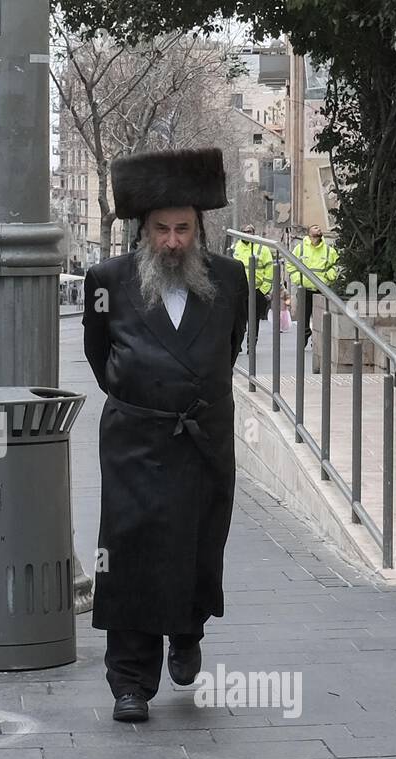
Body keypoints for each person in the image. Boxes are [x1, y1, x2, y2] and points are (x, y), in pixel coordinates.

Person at [82, 147, 249, 724]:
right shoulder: (107, 281)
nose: (173, 242)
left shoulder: (229, 279)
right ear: (143, 230)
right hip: (135, 440)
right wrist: (144, 397)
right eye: (162, 230)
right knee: (129, 553)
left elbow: (230, 346)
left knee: (198, 543)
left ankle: (187, 631)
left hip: (204, 439)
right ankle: (130, 680)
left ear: (199, 229)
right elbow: (100, 356)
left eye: (183, 229)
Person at [286, 224, 339, 347]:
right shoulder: (300, 249)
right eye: (315, 227)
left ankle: (316, 341)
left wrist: (328, 277)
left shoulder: (329, 250)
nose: (318, 228)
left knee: (320, 319)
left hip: (321, 289)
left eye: (319, 228)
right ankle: (304, 338)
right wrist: (298, 279)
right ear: (309, 233)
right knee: (303, 318)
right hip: (304, 289)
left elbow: (336, 266)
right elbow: (290, 264)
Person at [231, 223, 275, 325]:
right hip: (239, 290)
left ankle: (252, 336)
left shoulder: (262, 248)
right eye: (244, 232)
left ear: (253, 233)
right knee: (238, 320)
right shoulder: (235, 247)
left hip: (256, 290)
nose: (247, 234)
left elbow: (270, 268)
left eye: (249, 232)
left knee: (254, 320)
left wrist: (263, 290)